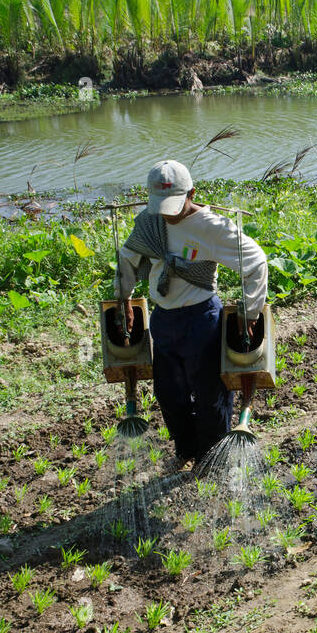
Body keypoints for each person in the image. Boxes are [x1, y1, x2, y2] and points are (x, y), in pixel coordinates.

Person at [115, 160, 268, 469]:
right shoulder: (149, 222)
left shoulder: (210, 227)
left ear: (192, 193)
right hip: (163, 320)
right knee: (169, 395)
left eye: (174, 204)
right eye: (161, 205)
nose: (168, 213)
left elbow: (255, 261)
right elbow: (128, 261)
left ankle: (212, 459)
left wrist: (250, 311)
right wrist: (124, 300)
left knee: (210, 395)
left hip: (201, 319)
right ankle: (185, 450)